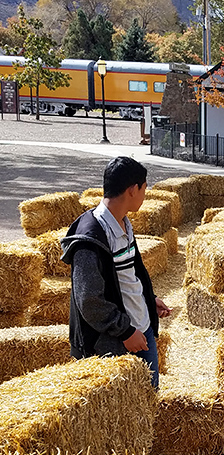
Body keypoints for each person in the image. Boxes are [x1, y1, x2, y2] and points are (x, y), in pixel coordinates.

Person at [60, 157, 171, 389]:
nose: (144, 195)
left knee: (149, 404)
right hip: (113, 344)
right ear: (133, 190)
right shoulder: (90, 238)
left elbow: (128, 273)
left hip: (142, 331)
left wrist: (148, 299)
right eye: (144, 189)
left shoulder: (124, 223)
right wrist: (126, 331)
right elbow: (89, 300)